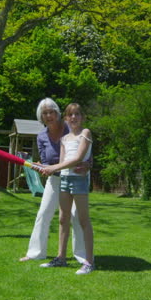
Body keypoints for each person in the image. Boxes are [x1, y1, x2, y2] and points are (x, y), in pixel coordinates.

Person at [19, 98, 87, 264]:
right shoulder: (41, 136)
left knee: (75, 216)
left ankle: (81, 256)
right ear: (41, 117)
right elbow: (45, 161)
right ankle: (35, 253)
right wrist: (42, 167)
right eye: (45, 113)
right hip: (55, 180)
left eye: (52, 112)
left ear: (58, 113)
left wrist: (87, 164)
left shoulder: (70, 128)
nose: (49, 115)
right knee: (43, 214)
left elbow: (83, 154)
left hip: (75, 177)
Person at [40, 103, 95, 275]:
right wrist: (45, 167)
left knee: (83, 220)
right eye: (70, 115)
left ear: (82, 117)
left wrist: (53, 168)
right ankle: (61, 258)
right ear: (66, 118)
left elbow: (78, 158)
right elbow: (62, 163)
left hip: (79, 180)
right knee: (63, 219)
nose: (74, 117)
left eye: (77, 114)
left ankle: (89, 262)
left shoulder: (85, 133)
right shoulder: (64, 139)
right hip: (64, 179)